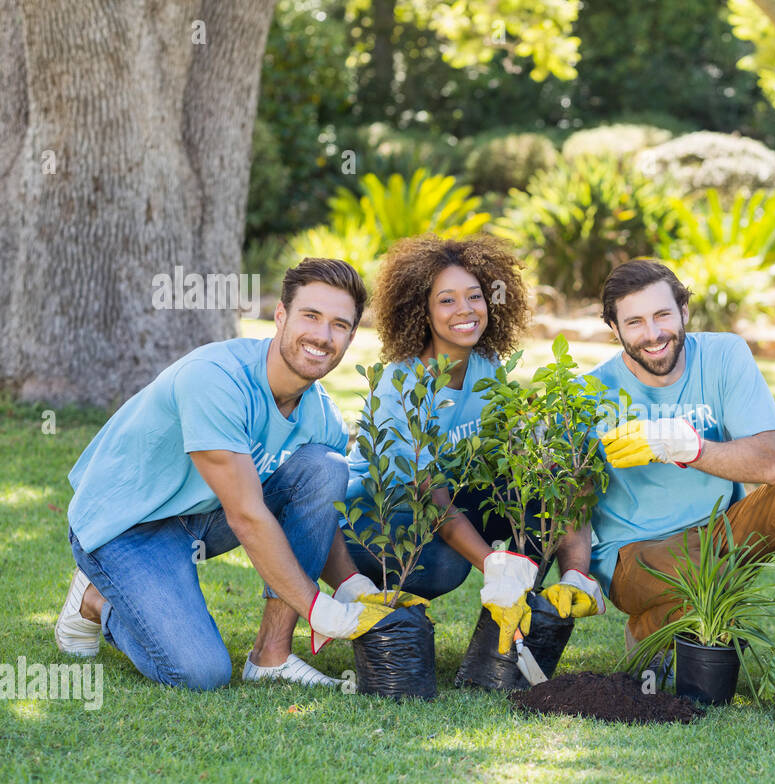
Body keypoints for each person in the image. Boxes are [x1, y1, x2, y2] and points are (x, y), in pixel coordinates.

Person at [58, 258, 389, 690]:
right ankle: (98, 601)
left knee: (326, 467)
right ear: (281, 316)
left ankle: (272, 656)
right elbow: (248, 517)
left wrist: (352, 587)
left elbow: (313, 511)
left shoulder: (323, 416)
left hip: (199, 515)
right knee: (201, 673)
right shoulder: (215, 380)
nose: (323, 336)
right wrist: (317, 608)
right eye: (311, 316)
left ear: (350, 336)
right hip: (125, 525)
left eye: (339, 325)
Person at [336, 234, 602, 656]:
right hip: (376, 523)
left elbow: (503, 465)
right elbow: (431, 497)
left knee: (554, 481)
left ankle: (515, 638)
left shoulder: (485, 367)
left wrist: (553, 465)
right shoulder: (400, 386)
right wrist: (493, 565)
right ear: (419, 309)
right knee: (446, 565)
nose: (465, 310)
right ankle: (374, 602)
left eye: (475, 296)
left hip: (449, 505)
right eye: (446, 300)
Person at [589, 259, 775, 650]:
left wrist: (685, 447)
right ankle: (658, 626)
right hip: (637, 553)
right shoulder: (591, 394)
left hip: (721, 532)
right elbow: (569, 498)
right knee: (710, 586)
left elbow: (769, 464)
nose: (653, 334)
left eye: (663, 315)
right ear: (614, 329)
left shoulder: (723, 355)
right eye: (634, 322)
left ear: (684, 311)